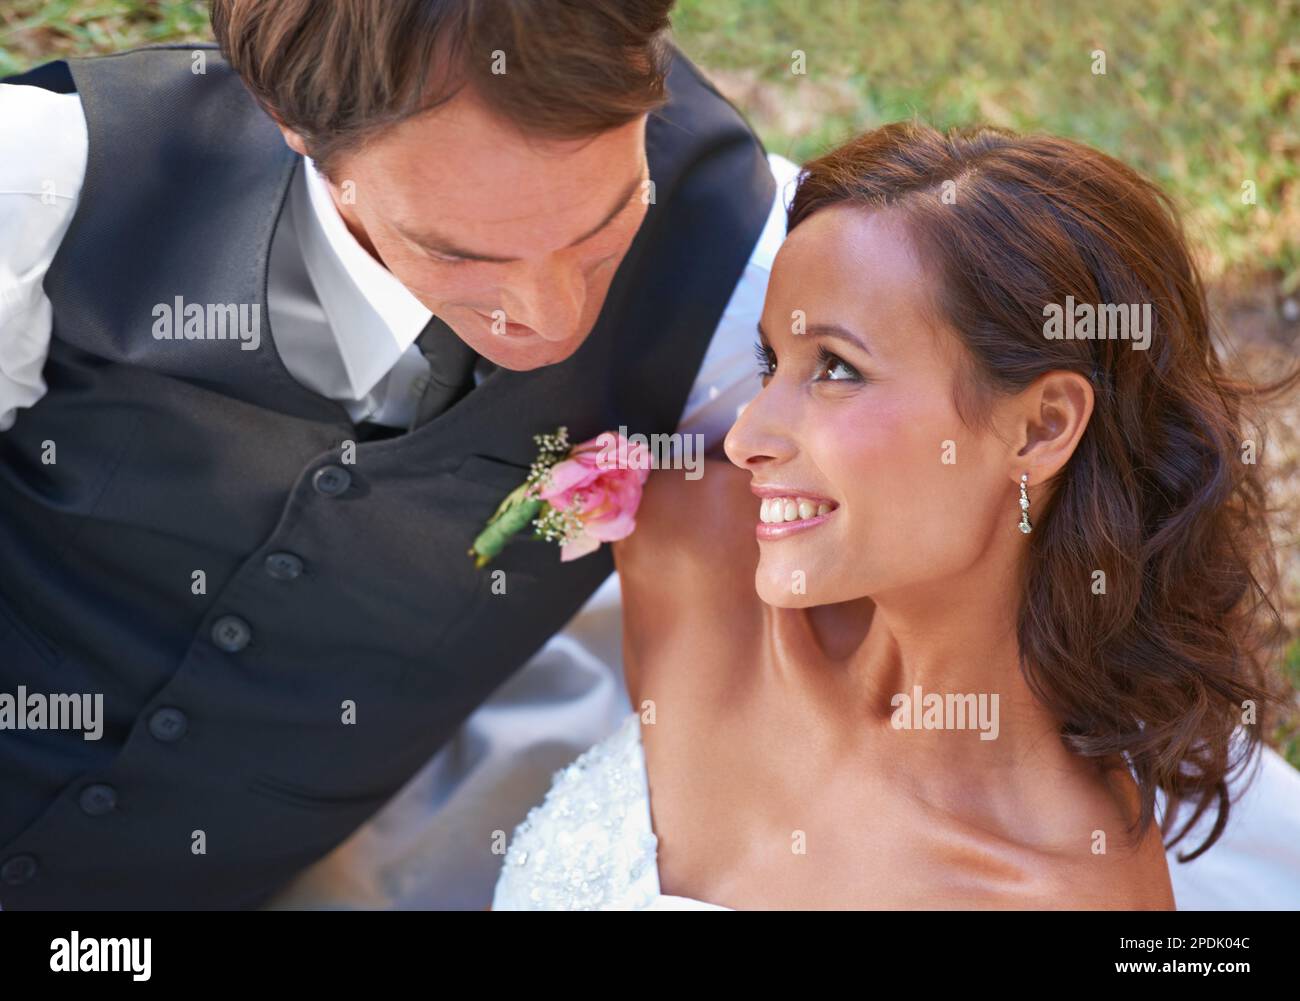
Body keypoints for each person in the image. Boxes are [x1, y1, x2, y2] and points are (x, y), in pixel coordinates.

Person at [0, 0, 789, 908]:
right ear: (291, 124)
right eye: (460, 257)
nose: (553, 315)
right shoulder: (52, 182)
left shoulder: (749, 272)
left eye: (602, 229)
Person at [492, 122, 1300, 909]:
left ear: (1042, 425)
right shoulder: (692, 544)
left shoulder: (1064, 892)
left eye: (838, 368)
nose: (745, 437)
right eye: (772, 362)